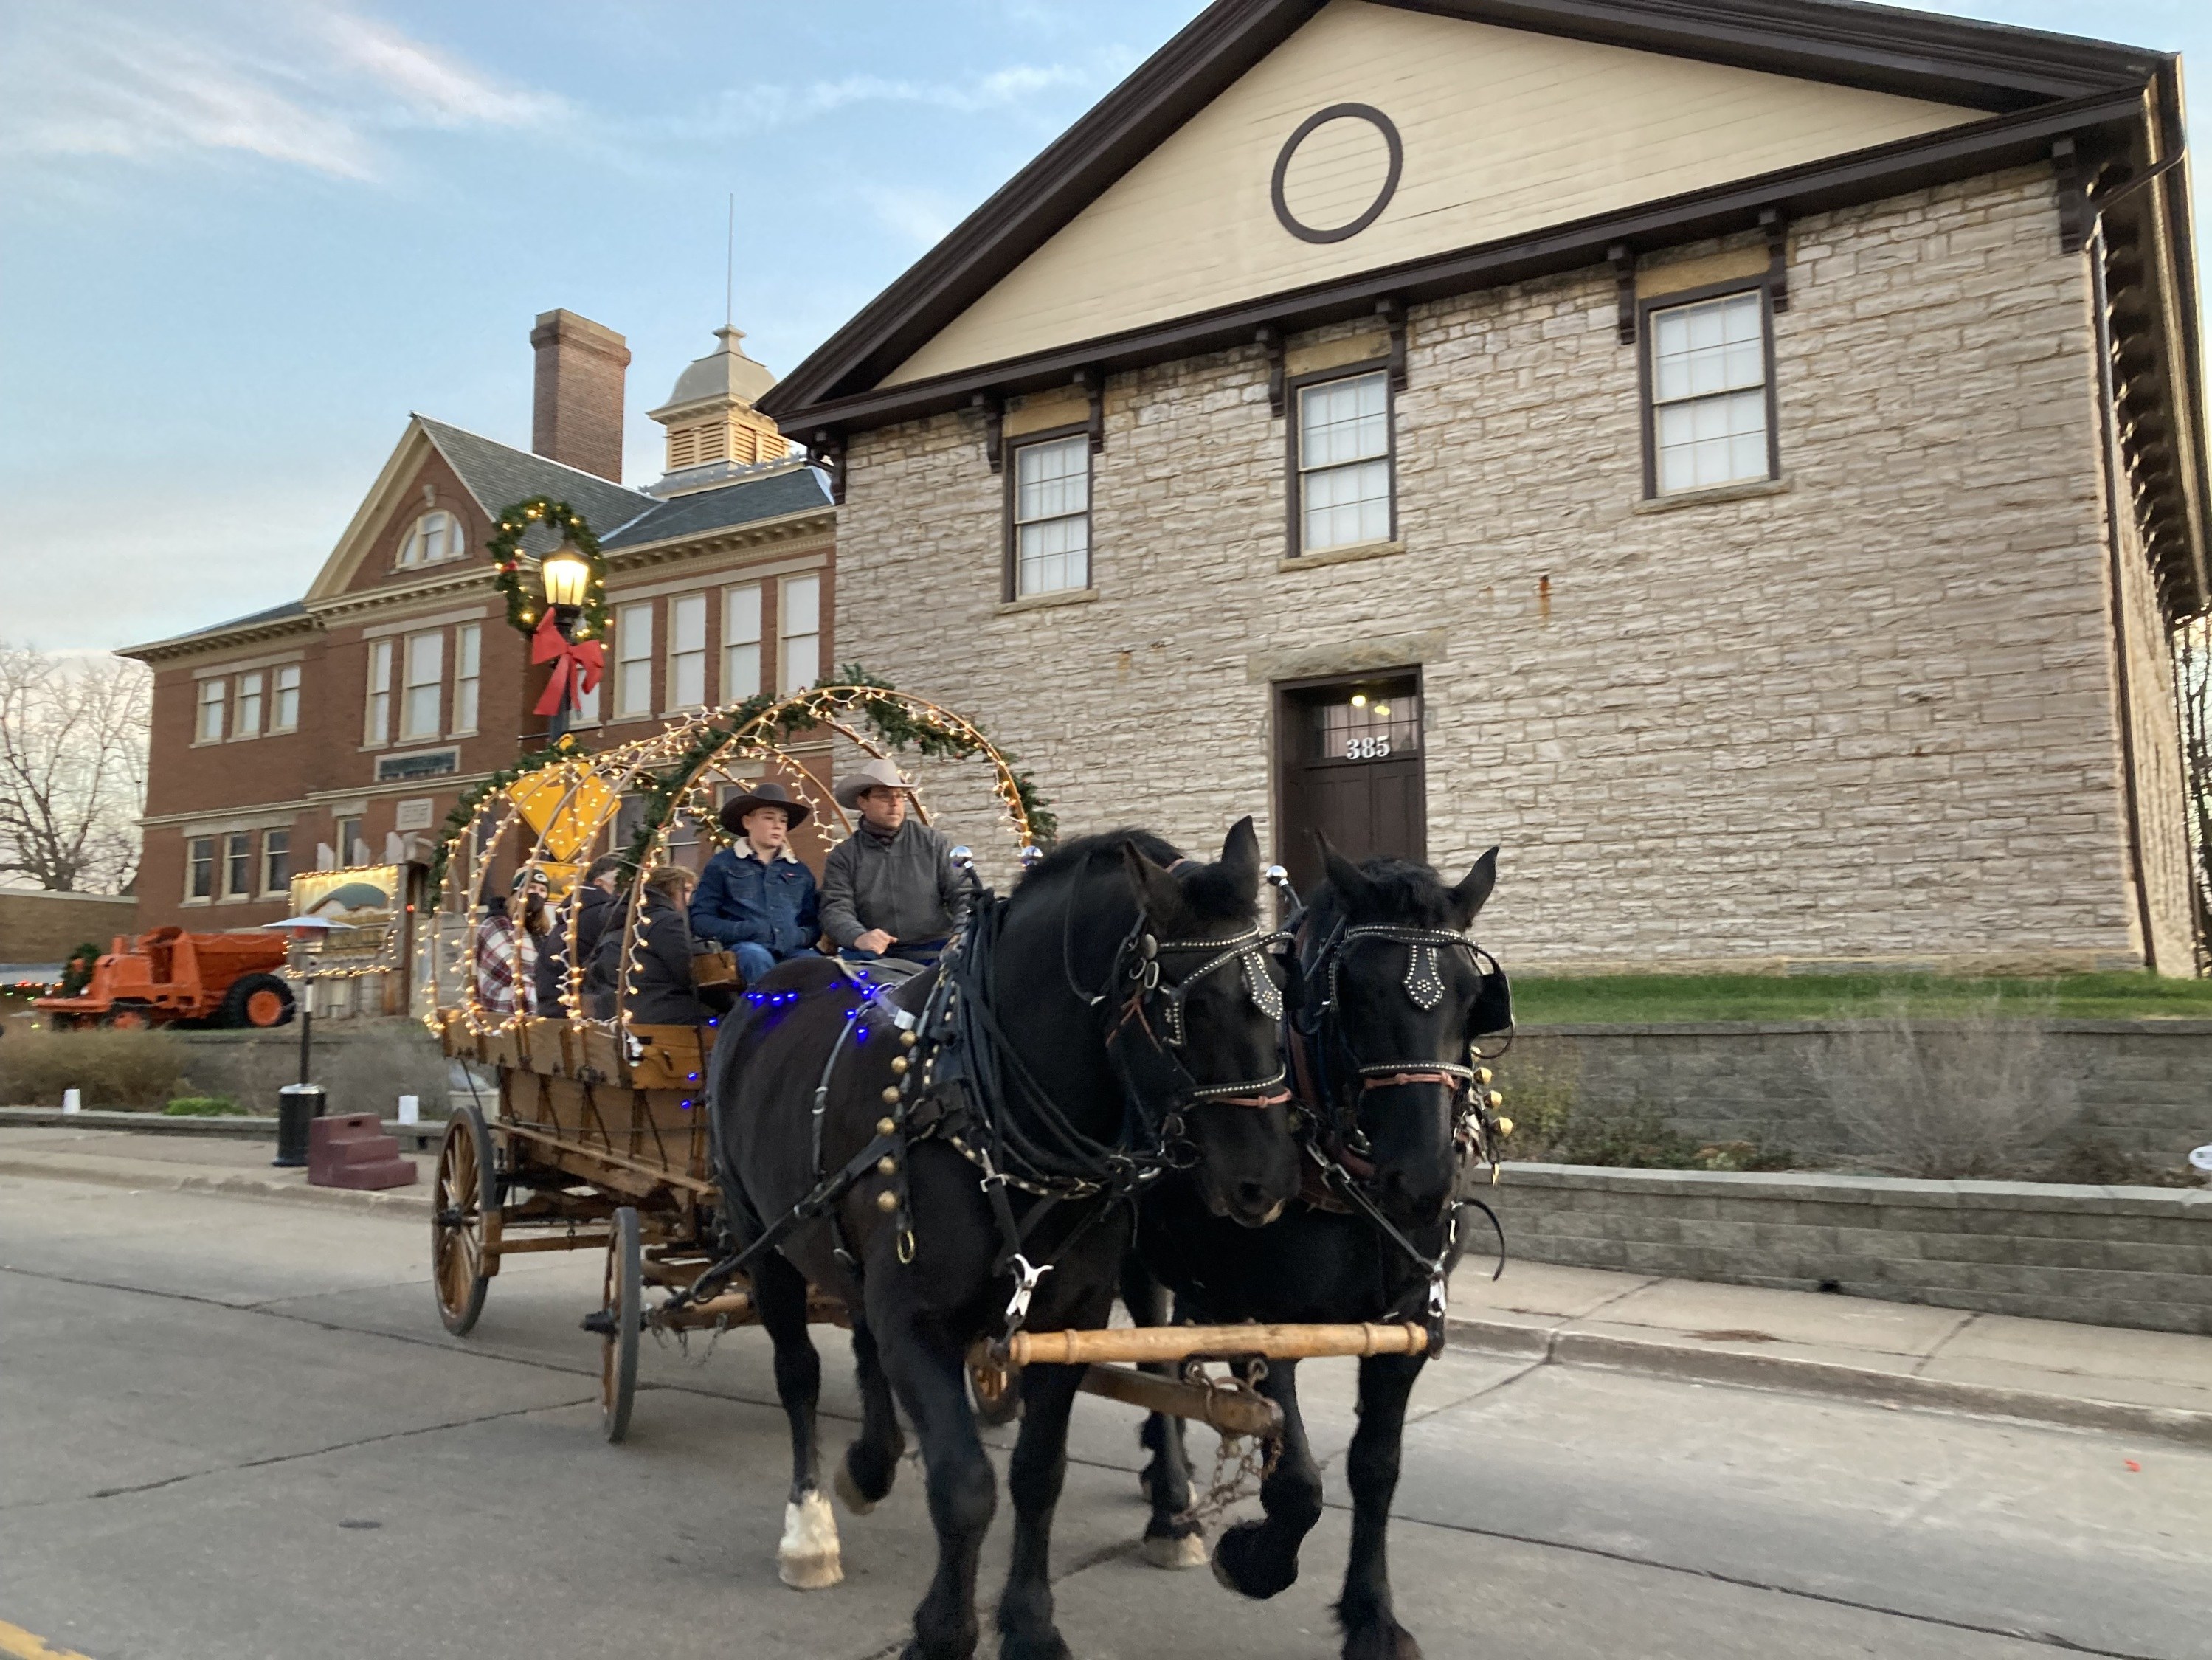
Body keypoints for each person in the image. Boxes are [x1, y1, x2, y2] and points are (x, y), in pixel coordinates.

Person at [819, 757, 968, 965]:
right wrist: (858, 936)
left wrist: (961, 933)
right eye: (884, 796)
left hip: (935, 950)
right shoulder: (844, 855)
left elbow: (964, 893)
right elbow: (835, 907)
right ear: (863, 803)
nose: (894, 803)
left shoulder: (933, 843)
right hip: (873, 955)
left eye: (899, 796)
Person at [688, 781, 820, 986]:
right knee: (756, 956)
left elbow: (812, 922)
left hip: (791, 950)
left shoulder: (799, 871)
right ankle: (766, 1007)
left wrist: (797, 936)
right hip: (746, 949)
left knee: (818, 966)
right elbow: (701, 919)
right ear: (748, 822)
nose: (777, 825)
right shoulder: (722, 865)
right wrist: (747, 929)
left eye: (783, 820)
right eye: (769, 818)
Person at [584, 864, 720, 1025]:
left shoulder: (619, 921)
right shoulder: (666, 921)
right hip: (663, 1011)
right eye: (687, 890)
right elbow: (690, 971)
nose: (691, 900)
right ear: (670, 890)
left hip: (618, 1013)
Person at [533, 853, 626, 1015]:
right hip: (580, 1010)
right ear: (599, 882)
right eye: (620, 879)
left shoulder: (575, 912)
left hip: (555, 1007)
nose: (626, 887)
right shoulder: (603, 914)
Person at [474, 868, 547, 1017]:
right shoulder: (497, 925)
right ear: (517, 891)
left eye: (542, 890)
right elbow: (512, 968)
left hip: (536, 1009)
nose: (536, 893)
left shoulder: (538, 933)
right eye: (531, 887)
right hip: (502, 1010)